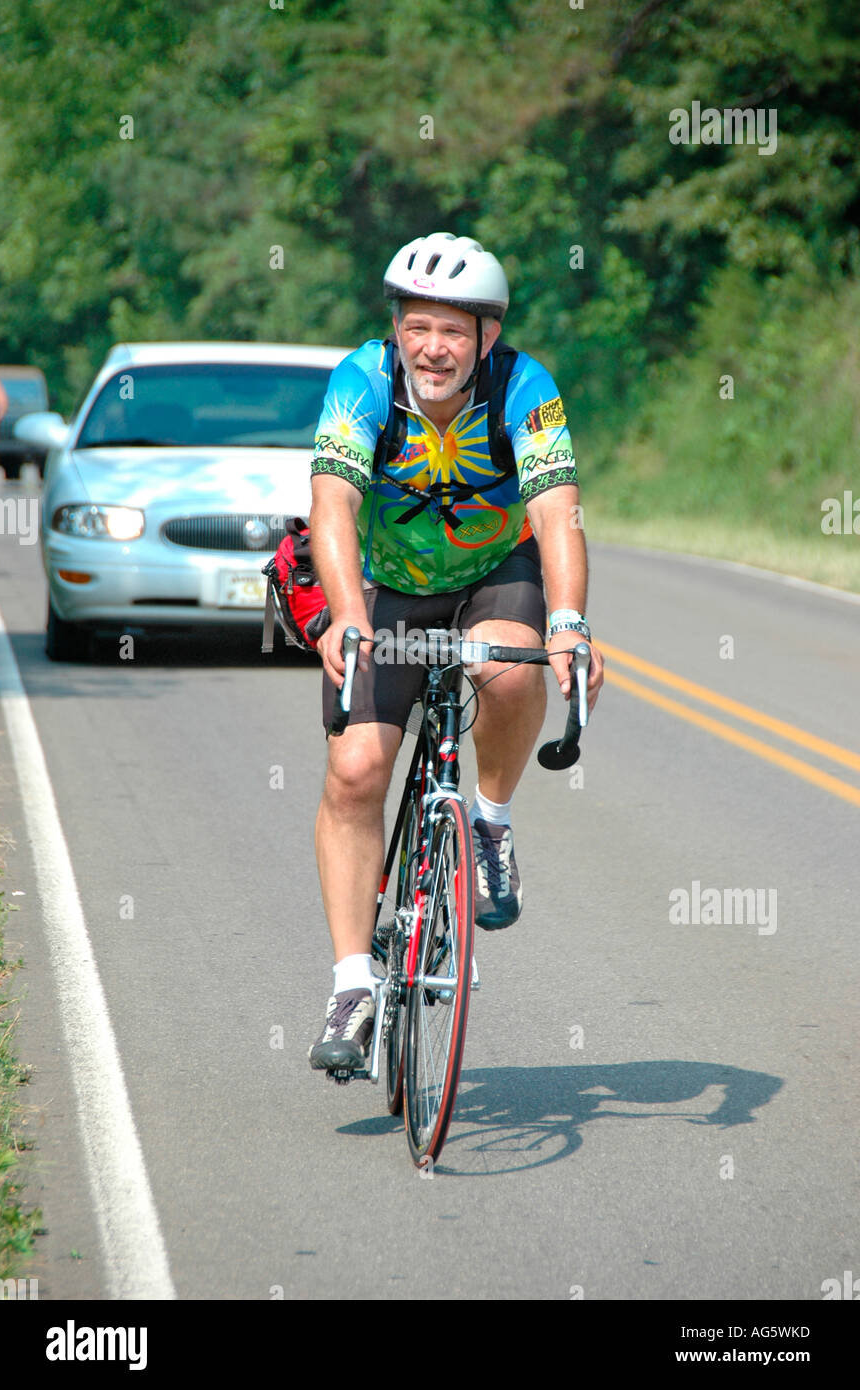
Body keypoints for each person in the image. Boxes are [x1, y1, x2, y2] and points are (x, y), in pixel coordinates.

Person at [307, 232, 604, 1072]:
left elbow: (555, 511)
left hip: (492, 572)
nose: (433, 346)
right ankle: (353, 983)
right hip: (388, 586)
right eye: (418, 326)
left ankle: (491, 821)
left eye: (454, 330)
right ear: (396, 327)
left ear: (488, 337)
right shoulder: (362, 382)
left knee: (507, 666)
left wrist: (570, 619)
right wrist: (345, 613)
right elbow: (332, 507)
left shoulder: (524, 386)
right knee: (357, 768)